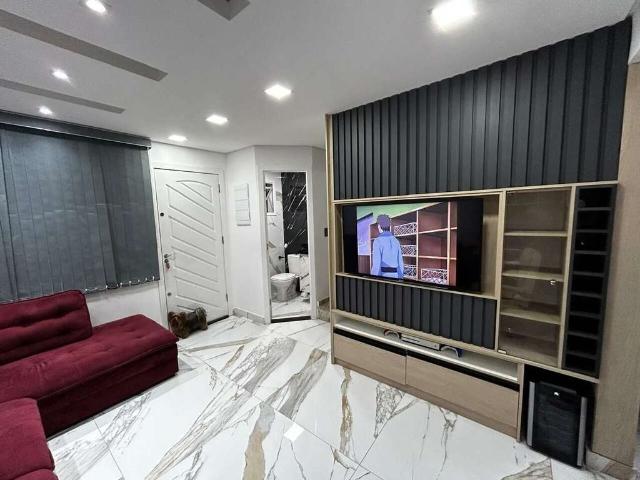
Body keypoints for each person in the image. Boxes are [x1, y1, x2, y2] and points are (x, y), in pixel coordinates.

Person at [370, 214, 404, 279]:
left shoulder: (377, 241)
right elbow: (400, 263)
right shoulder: (396, 241)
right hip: (395, 275)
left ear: (379, 226)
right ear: (389, 226)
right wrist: (400, 278)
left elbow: (376, 265)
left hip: (383, 276)